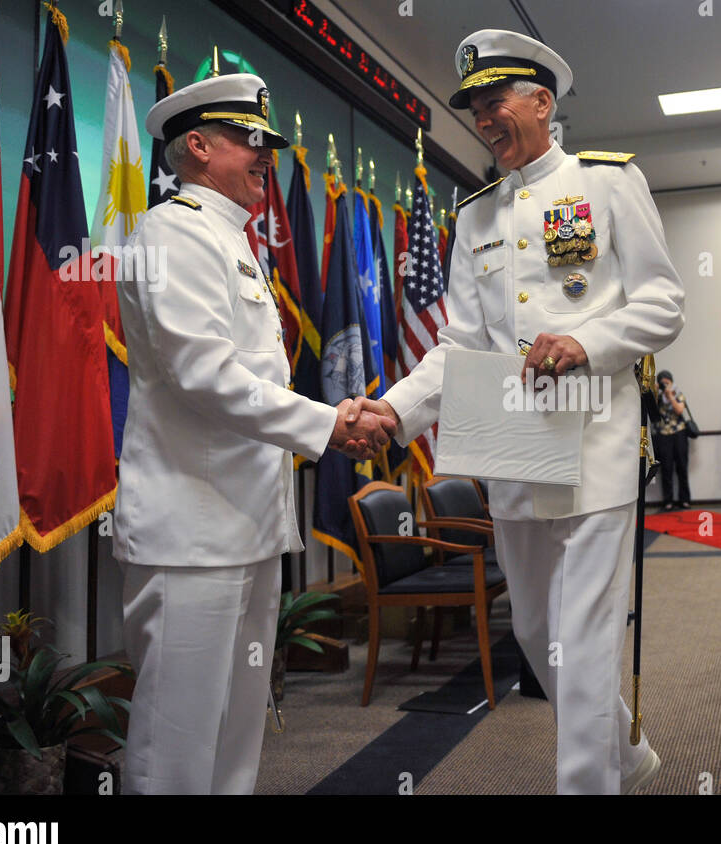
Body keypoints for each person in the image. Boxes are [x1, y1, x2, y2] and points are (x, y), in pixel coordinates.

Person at [345, 30, 684, 794]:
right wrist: (393, 413)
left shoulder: (607, 183)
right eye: (474, 108)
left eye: (496, 101)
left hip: (594, 440)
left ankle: (587, 783)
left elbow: (665, 302)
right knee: (537, 634)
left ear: (542, 101)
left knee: (585, 640)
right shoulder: (475, 216)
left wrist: (586, 341)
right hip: (514, 447)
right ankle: (624, 756)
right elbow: (458, 346)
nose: (484, 118)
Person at [115, 74, 396, 794]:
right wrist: (327, 424)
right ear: (198, 147)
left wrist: (326, 422)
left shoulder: (233, 241)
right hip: (191, 535)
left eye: (265, 141)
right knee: (175, 745)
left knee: (236, 736)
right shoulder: (173, 232)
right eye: (248, 140)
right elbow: (201, 374)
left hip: (245, 527)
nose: (264, 154)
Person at [652, 370, 692, 510]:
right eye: (662, 383)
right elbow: (652, 412)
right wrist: (655, 393)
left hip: (679, 433)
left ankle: (684, 499)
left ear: (672, 382)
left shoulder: (677, 393)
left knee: (682, 467)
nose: (665, 385)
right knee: (666, 469)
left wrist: (669, 396)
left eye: (667, 382)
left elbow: (680, 410)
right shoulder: (656, 395)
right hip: (663, 435)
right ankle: (667, 500)